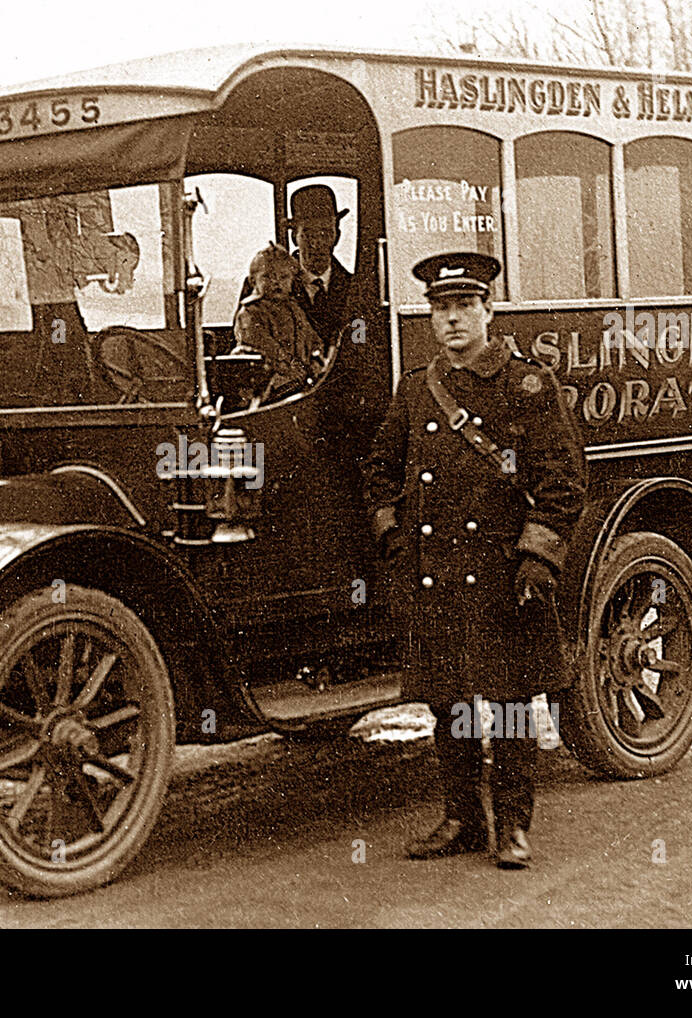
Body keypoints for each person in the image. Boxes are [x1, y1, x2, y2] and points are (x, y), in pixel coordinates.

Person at [363, 251, 587, 869]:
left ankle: (513, 828)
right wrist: (391, 533)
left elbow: (564, 482)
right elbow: (380, 468)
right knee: (451, 703)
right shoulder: (416, 388)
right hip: (435, 573)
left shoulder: (527, 385)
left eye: (465, 306)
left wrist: (537, 559)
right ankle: (462, 820)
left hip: (502, 576)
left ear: (489, 310)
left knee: (510, 703)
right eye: (442, 308)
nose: (454, 319)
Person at [236, 184, 353, 346]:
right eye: (308, 233)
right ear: (294, 237)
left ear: (337, 236)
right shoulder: (260, 286)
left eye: (325, 233)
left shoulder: (354, 287)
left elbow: (359, 338)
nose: (316, 243)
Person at [232, 243, 323, 400]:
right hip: (267, 383)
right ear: (253, 281)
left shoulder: (294, 309)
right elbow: (264, 345)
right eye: (267, 276)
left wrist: (316, 358)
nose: (276, 282)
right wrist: (290, 365)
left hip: (298, 380)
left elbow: (311, 337)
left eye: (284, 277)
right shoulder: (251, 312)